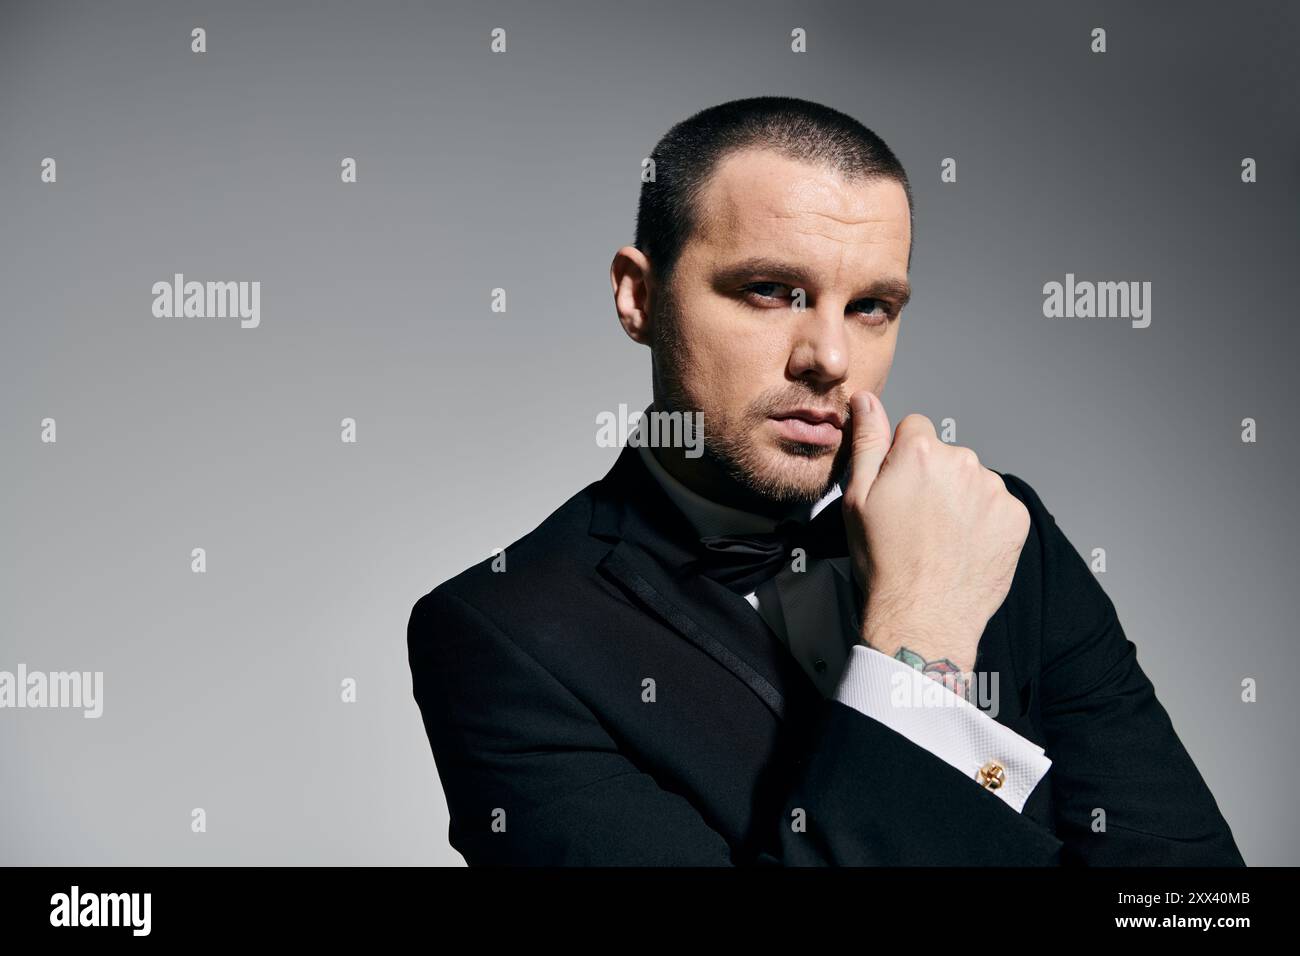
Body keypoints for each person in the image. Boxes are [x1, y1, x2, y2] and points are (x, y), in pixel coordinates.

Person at [407, 95, 1245, 866]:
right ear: (639, 296)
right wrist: (925, 635)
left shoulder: (999, 525)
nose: (831, 360)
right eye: (771, 291)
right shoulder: (500, 634)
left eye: (872, 307)